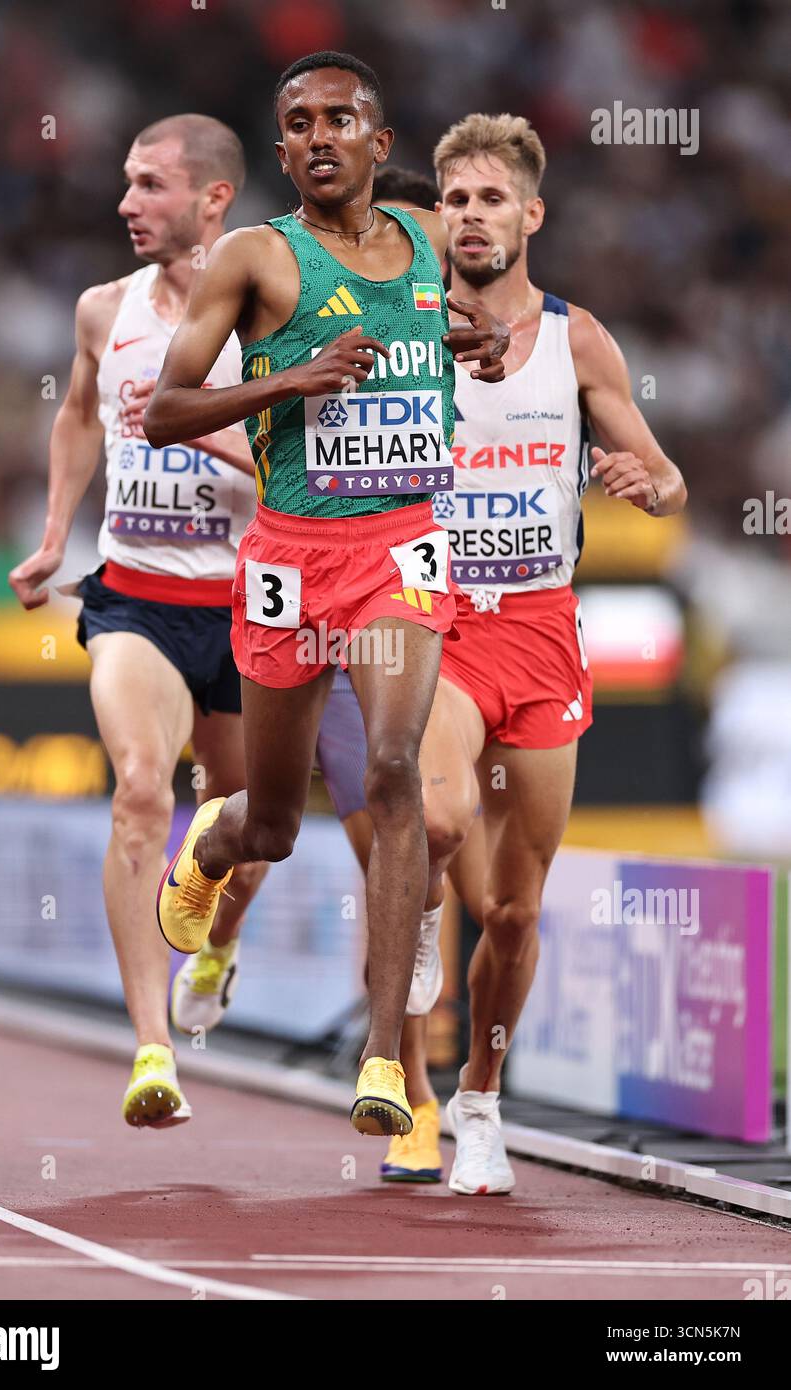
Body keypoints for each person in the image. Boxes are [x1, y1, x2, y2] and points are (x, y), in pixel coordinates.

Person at [144, 53, 507, 1137]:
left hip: (400, 547)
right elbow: (165, 410)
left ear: (378, 144)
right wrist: (291, 379)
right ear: (281, 149)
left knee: (395, 772)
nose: (315, 137)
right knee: (274, 822)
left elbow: (463, 331)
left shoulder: (432, 244)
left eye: (336, 119)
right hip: (286, 556)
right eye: (295, 123)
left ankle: (384, 1054)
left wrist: (476, 343)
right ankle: (213, 845)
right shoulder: (256, 257)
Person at [387, 112, 688, 1193]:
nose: (470, 216)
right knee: (435, 814)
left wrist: (641, 483)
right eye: (454, 199)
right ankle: (415, 925)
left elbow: (667, 480)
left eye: (488, 199)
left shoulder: (579, 339)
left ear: (530, 214)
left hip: (544, 629)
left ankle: (481, 1099)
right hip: (440, 616)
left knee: (514, 911)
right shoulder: (407, 332)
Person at [9, 114, 267, 1128]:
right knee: (141, 792)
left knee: (253, 824)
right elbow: (79, 413)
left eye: (151, 185)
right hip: (137, 596)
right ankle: (152, 1046)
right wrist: (53, 531)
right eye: (125, 182)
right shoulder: (101, 311)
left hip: (251, 605)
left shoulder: (270, 321)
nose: (126, 203)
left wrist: (209, 430)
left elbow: (302, 455)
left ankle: (216, 941)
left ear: (212, 200)